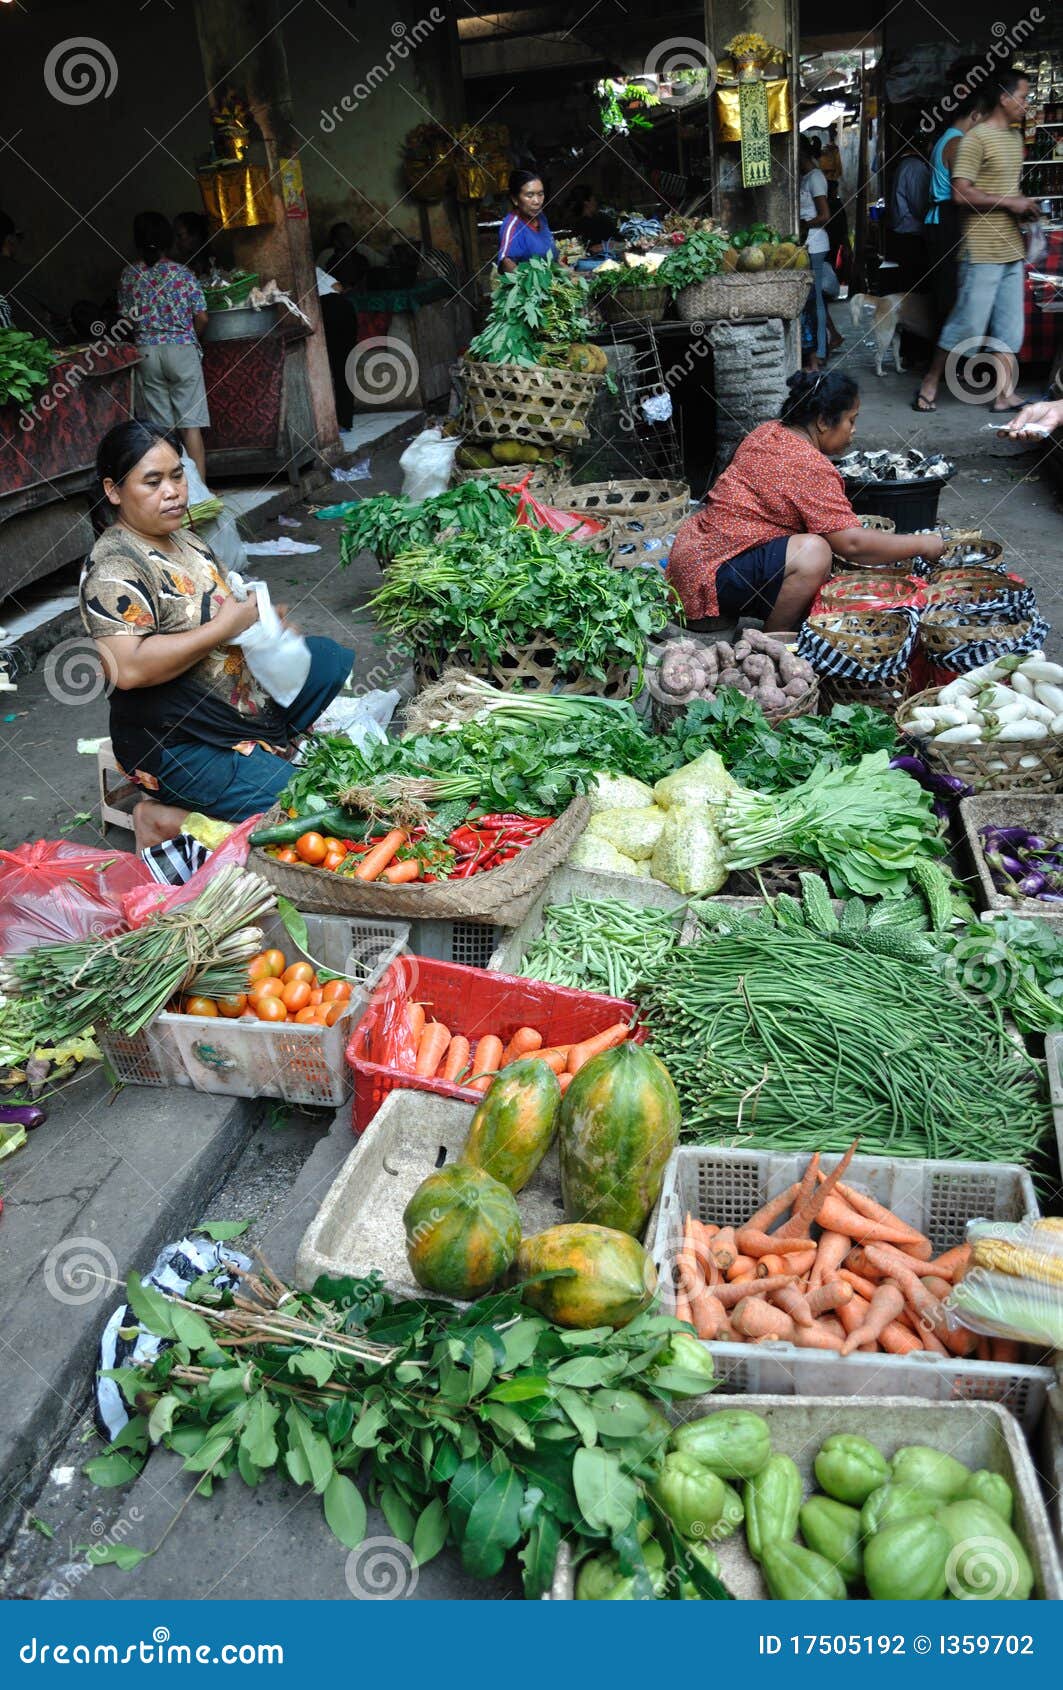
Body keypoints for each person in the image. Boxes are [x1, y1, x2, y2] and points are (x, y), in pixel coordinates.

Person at [80, 420, 353, 847]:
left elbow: (222, 605)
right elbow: (128, 669)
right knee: (311, 807)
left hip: (230, 709)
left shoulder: (188, 542)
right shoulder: (114, 567)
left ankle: (261, 754)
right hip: (174, 740)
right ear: (114, 491)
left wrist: (263, 624)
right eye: (152, 482)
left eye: (176, 476)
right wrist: (221, 629)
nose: (172, 491)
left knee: (324, 659)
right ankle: (160, 816)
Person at [665, 370, 946, 631]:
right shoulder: (809, 464)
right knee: (814, 552)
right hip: (706, 581)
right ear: (823, 421)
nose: (853, 430)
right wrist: (923, 544)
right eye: (851, 420)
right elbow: (852, 545)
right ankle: (773, 641)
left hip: (690, 565)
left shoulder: (768, 431)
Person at [914, 68, 1040, 413]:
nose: (1027, 104)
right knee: (966, 324)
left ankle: (1003, 394)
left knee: (1009, 327)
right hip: (981, 248)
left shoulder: (1014, 138)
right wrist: (1010, 203)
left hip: (1010, 247)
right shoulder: (975, 139)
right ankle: (930, 381)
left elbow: (1005, 189)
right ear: (1004, 98)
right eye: (1023, 97)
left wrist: (1023, 208)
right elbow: (960, 193)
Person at [118, 212, 211, 481]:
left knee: (163, 430)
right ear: (167, 240)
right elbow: (202, 317)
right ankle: (200, 491)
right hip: (181, 350)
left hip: (146, 352)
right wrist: (190, 339)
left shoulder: (128, 275)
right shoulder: (182, 273)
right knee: (190, 426)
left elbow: (126, 320)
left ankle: (173, 490)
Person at [923, 92, 985, 344]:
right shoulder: (957, 143)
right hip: (947, 221)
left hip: (940, 220)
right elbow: (964, 192)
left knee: (946, 290)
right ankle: (951, 353)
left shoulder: (944, 139)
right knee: (951, 293)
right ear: (975, 115)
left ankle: (947, 351)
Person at [0, 209, 64, 337]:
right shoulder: (25, 273)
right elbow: (60, 312)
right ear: (9, 239)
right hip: (34, 345)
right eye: (18, 238)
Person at [799, 138, 832, 369]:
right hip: (808, 245)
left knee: (817, 301)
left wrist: (804, 225)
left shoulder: (816, 178)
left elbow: (825, 215)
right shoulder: (805, 178)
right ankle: (820, 347)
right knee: (812, 301)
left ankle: (820, 351)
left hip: (816, 244)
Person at [886, 134, 931, 292]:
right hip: (912, 237)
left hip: (905, 235)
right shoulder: (915, 167)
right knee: (915, 289)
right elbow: (919, 206)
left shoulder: (905, 164)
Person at [498, 171, 558, 272]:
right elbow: (506, 263)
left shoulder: (541, 217)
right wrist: (530, 280)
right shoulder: (512, 226)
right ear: (515, 199)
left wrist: (568, 272)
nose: (537, 201)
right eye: (529, 195)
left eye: (540, 194)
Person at [571, 186, 619, 257]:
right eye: (594, 200)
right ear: (586, 202)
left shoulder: (575, 224)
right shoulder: (602, 219)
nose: (596, 203)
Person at [172, 210, 214, 280]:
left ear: (195, 235)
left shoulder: (213, 260)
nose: (176, 242)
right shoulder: (180, 263)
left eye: (180, 236)